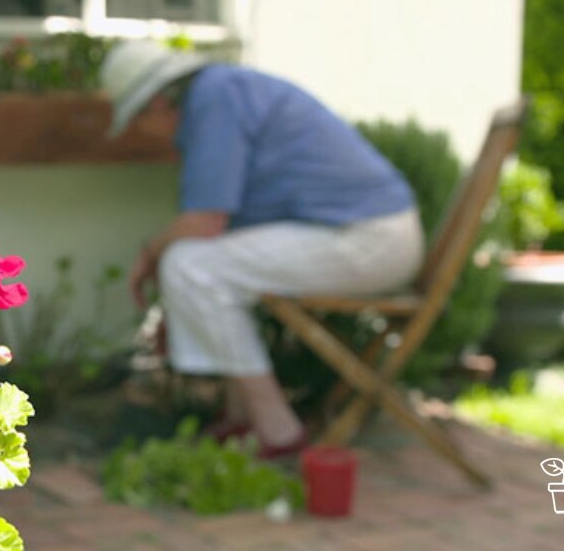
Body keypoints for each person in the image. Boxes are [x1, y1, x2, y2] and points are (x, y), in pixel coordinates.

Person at [100, 41, 424, 458]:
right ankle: (244, 418)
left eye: (137, 122)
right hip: (369, 235)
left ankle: (276, 430)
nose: (141, 134)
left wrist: (151, 254)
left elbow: (206, 221)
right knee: (199, 266)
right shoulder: (222, 91)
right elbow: (221, 226)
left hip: (370, 241)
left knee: (191, 266)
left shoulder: (214, 99)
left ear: (158, 104)